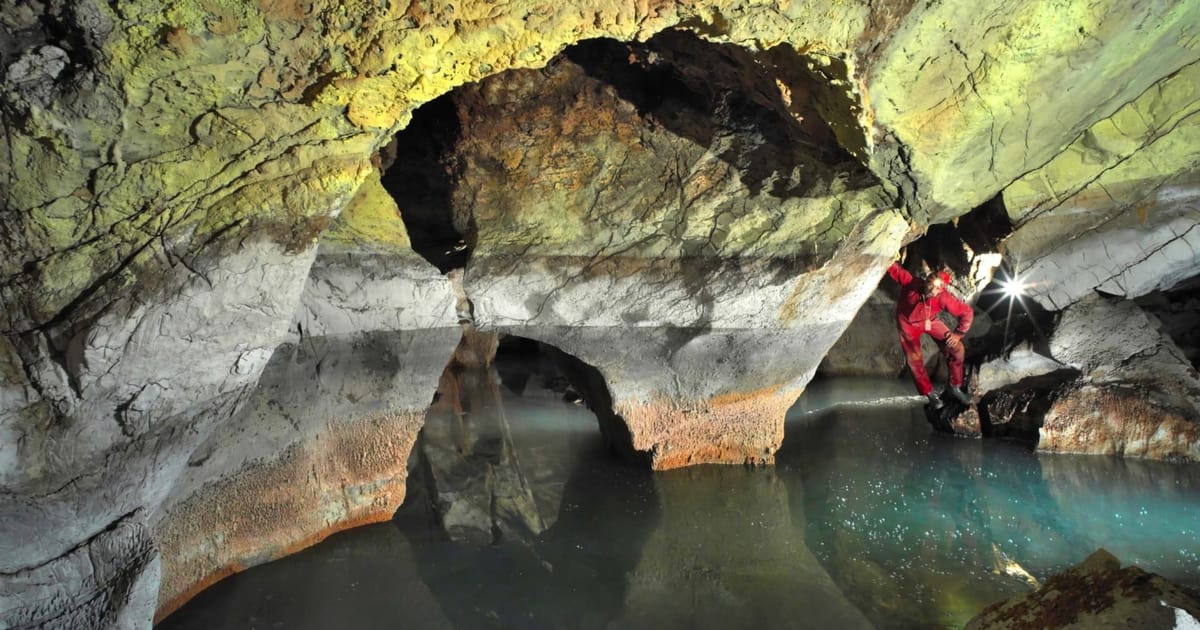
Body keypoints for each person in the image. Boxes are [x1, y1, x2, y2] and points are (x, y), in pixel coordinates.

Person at [887, 260, 973, 408]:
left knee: (957, 348)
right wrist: (886, 257)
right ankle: (928, 393)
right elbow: (895, 270)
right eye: (930, 285)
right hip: (907, 324)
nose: (932, 290)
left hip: (930, 321)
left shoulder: (944, 298)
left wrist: (958, 334)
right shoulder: (912, 283)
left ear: (942, 289)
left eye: (937, 288)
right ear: (926, 281)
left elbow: (967, 313)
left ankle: (955, 387)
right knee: (915, 359)